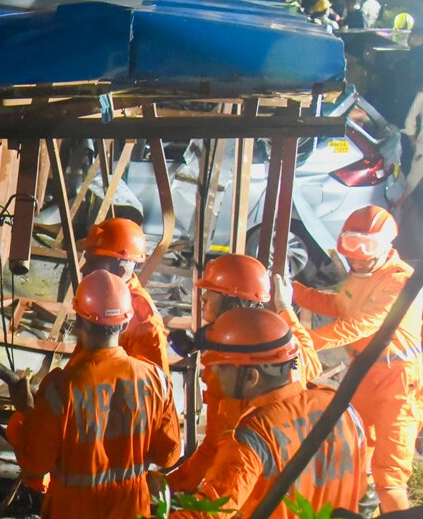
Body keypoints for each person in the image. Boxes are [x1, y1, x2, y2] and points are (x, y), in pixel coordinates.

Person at [8, 271, 181, 518]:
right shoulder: (155, 380)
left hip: (73, 510)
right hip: (131, 509)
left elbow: (35, 464)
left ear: (78, 321)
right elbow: (169, 454)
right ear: (125, 323)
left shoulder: (60, 388)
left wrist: (26, 410)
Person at [286, 205, 421, 512]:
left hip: (398, 383)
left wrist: (300, 342)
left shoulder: (399, 282)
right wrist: (292, 292)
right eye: (351, 247)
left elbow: (358, 325)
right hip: (363, 374)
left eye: (366, 248)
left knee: (390, 477)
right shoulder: (362, 274)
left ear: (386, 246)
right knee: (356, 454)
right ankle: (363, 505)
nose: (357, 256)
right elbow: (340, 306)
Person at [171, 308, 366, 518]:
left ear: (251, 377)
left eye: (219, 369)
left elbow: (209, 512)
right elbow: (360, 486)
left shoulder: (252, 436)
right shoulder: (341, 407)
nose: (209, 378)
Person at [169, 253, 322, 491]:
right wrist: (285, 309)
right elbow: (312, 361)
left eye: (212, 292)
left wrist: (174, 486)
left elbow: (215, 445)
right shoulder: (279, 342)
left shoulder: (231, 367)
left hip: (249, 480)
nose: (204, 298)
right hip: (291, 471)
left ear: (234, 302)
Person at [78, 217, 170, 376]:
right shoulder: (100, 296)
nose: (83, 269)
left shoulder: (144, 322)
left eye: (93, 263)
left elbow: (156, 393)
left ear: (120, 270)